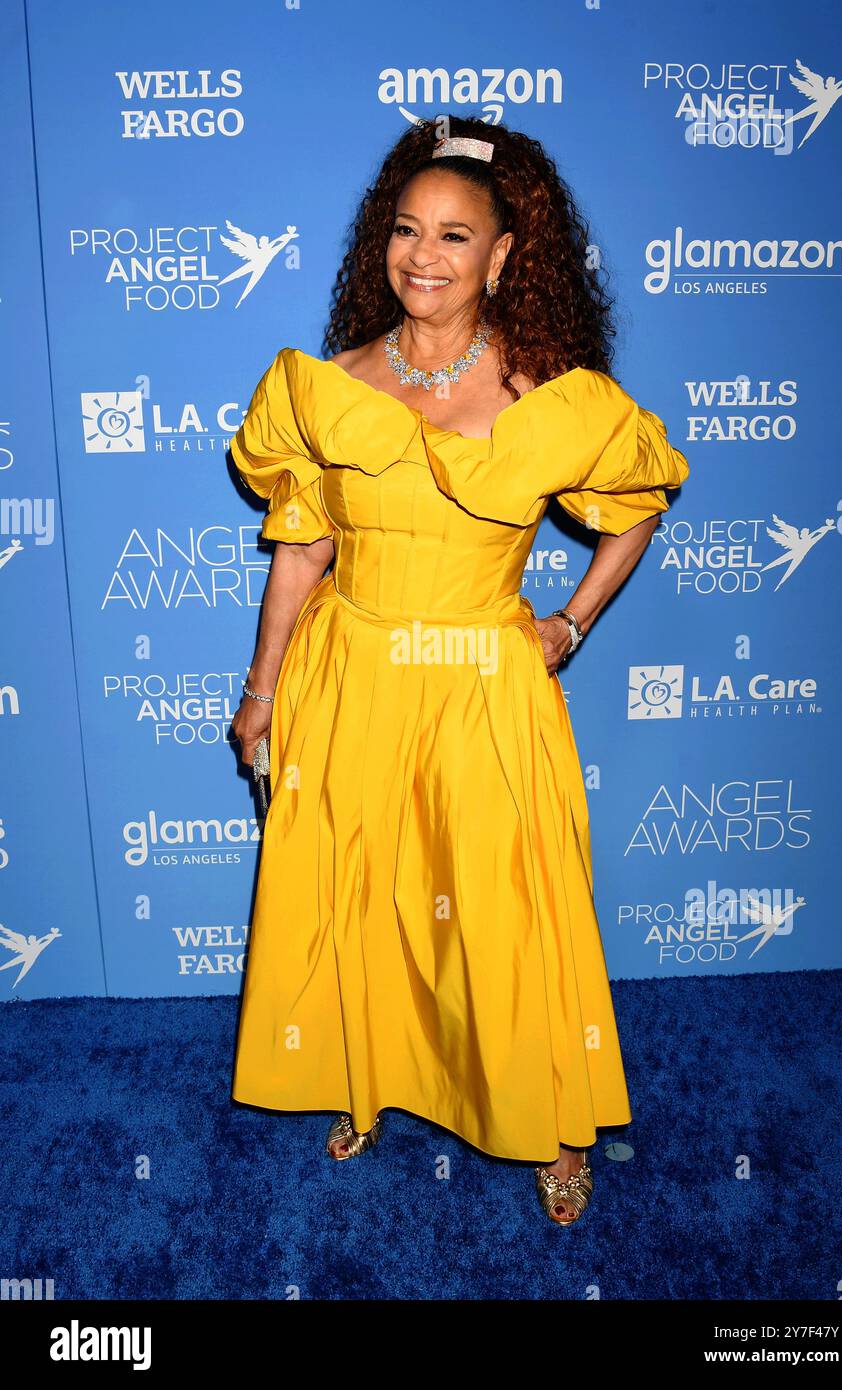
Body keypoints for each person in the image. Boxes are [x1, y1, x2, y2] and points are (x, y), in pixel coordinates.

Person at [228, 115, 689, 1225]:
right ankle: (372, 1075)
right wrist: (260, 691)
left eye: (452, 234)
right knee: (367, 897)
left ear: (502, 255)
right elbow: (303, 545)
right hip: (356, 675)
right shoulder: (327, 385)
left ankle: (547, 1120)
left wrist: (567, 626)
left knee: (498, 913)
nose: (420, 256)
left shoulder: (549, 398)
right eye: (403, 230)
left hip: (482, 686)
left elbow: (635, 506)